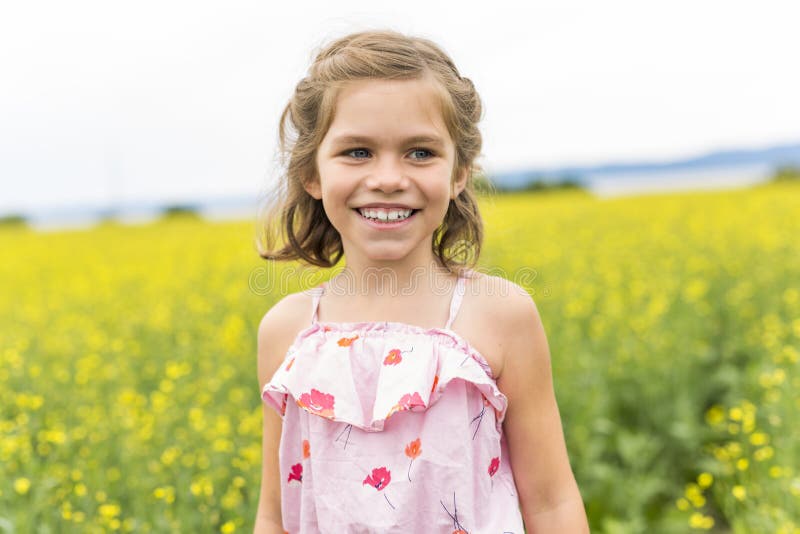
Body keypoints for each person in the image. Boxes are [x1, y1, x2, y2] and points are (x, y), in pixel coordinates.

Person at [253, 29, 589, 533]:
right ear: (313, 174)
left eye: (419, 153)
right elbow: (277, 514)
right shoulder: (288, 331)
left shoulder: (500, 315)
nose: (388, 177)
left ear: (459, 174)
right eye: (358, 152)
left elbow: (550, 501)